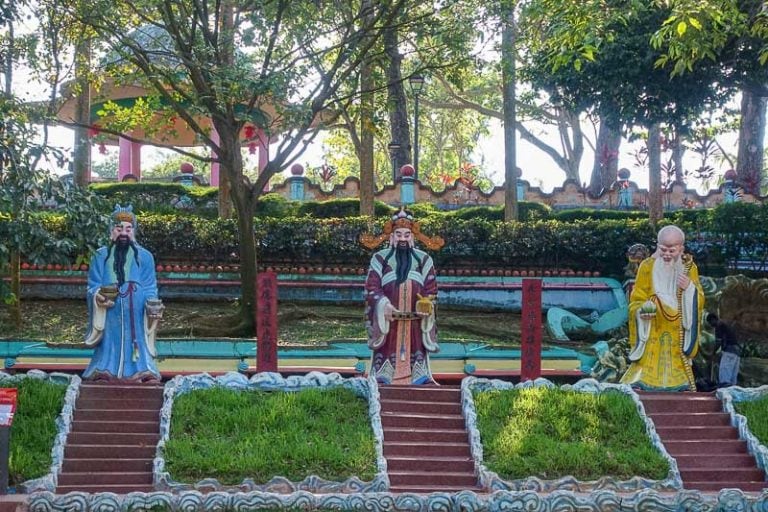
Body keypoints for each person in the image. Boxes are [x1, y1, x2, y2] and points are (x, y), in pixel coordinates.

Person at [361, 209, 444, 385]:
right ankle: (383, 371)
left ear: (412, 237)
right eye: (398, 234)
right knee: (386, 350)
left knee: (417, 347)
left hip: (416, 320)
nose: (403, 239)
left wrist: (426, 303)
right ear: (392, 236)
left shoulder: (424, 259)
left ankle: (419, 373)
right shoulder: (380, 258)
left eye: (407, 235)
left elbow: (431, 289)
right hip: (389, 319)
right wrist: (383, 304)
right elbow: (372, 287)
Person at [83, 204, 164, 381]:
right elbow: (93, 285)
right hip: (110, 310)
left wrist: (152, 305)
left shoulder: (145, 257)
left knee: (136, 340)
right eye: (119, 229)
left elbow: (150, 287)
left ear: (134, 232)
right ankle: (104, 369)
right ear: (111, 231)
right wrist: (98, 296)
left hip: (136, 311)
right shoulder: (100, 256)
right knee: (109, 341)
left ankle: (142, 369)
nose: (124, 234)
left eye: (128, 229)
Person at [620, 225, 704, 391]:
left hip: (678, 326)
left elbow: (699, 297)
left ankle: (680, 383)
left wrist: (689, 288)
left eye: (672, 251)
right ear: (657, 246)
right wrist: (642, 309)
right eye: (663, 249)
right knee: (648, 363)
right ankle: (643, 379)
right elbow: (636, 298)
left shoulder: (689, 267)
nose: (666, 254)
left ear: (681, 249)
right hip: (653, 324)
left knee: (678, 365)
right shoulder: (647, 266)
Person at [706, 312, 741, 387]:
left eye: (710, 322)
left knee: (725, 373)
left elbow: (718, 341)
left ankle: (725, 389)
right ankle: (732, 390)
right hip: (737, 352)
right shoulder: (726, 324)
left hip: (729, 351)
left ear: (713, 319)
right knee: (732, 376)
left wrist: (713, 353)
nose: (711, 325)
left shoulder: (719, 326)